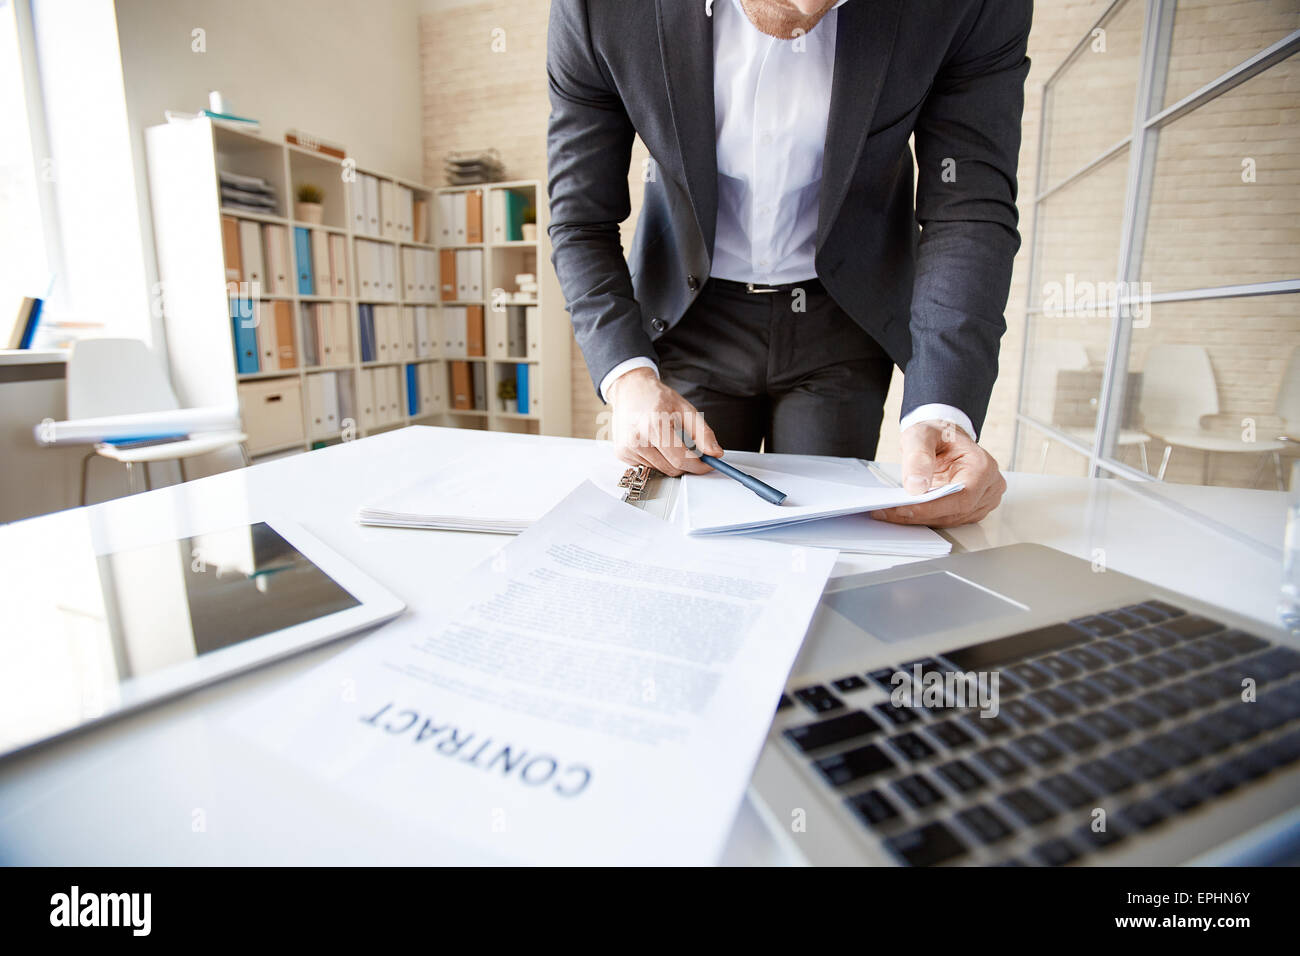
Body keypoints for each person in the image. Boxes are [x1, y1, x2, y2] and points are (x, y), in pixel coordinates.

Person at [547, 0, 1030, 526]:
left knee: (825, 535)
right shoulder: (598, 10)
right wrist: (627, 377)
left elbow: (969, 209)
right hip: (687, 320)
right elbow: (580, 218)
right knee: (685, 535)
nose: (803, 9)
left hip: (843, 323)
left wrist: (944, 408)